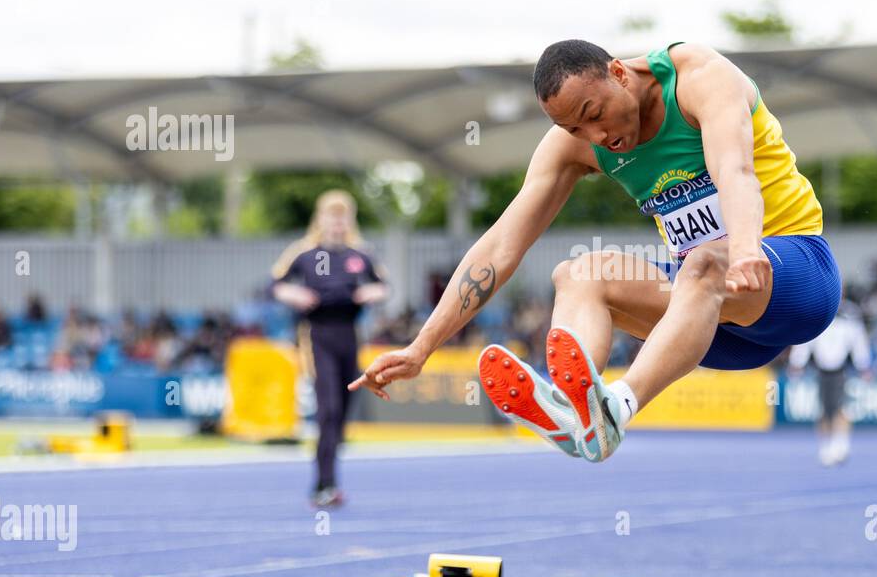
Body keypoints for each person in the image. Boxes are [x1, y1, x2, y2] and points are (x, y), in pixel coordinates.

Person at [351, 40, 840, 462]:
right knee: (578, 273)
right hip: (710, 323)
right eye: (576, 132)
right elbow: (500, 245)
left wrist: (748, 247)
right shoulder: (577, 144)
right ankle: (577, 410)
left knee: (706, 258)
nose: (597, 138)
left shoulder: (698, 78)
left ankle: (618, 407)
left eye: (594, 115)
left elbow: (735, 171)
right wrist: (422, 346)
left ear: (620, 74)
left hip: (792, 278)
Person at [272, 191, 388, 505]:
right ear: (320, 219)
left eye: (342, 217)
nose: (337, 223)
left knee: (342, 415)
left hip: (348, 334)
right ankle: (323, 484)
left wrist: (371, 294)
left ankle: (330, 478)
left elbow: (382, 284)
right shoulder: (303, 253)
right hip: (317, 334)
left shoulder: (360, 254)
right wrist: (294, 295)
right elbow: (276, 284)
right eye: (331, 216)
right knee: (329, 410)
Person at [788, 298, 871, 465]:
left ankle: (841, 444)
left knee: (841, 407)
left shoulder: (849, 314)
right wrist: (797, 362)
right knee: (825, 410)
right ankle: (826, 446)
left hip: (840, 370)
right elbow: (806, 339)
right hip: (822, 370)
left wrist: (863, 364)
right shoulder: (819, 311)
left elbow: (858, 339)